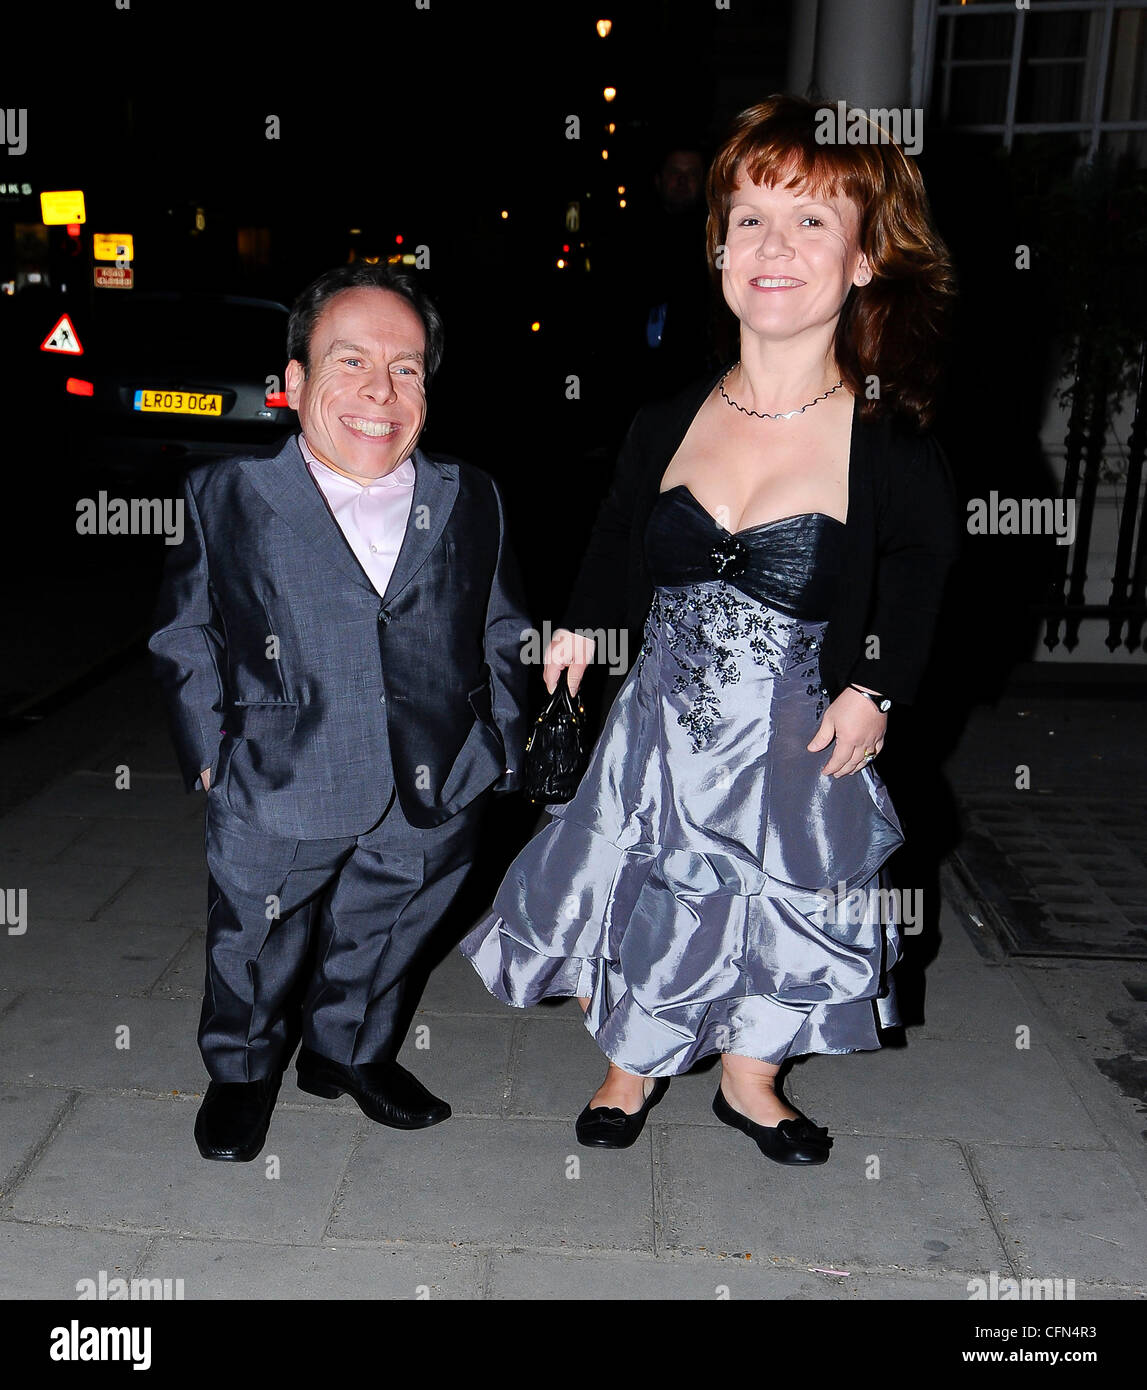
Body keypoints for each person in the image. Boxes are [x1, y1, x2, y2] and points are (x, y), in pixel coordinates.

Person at [459, 95, 961, 1164]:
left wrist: (874, 687)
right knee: (652, 884)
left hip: (793, 734)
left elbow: (922, 571)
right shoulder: (664, 417)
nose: (771, 247)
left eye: (810, 221)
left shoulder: (890, 439)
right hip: (659, 731)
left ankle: (750, 1079)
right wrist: (582, 633)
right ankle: (627, 1067)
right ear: (719, 248)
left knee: (780, 905)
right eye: (748, 219)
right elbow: (617, 537)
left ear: (866, 258)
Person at [150, 265, 530, 1161]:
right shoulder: (226, 496)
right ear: (292, 383)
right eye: (349, 361)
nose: (379, 390)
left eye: (406, 369)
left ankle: (346, 1053)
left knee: (391, 929)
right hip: (280, 773)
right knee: (254, 940)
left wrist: (500, 744)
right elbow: (184, 631)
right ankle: (242, 1070)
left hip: (437, 774)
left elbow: (502, 625)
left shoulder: (470, 496)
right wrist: (207, 748)